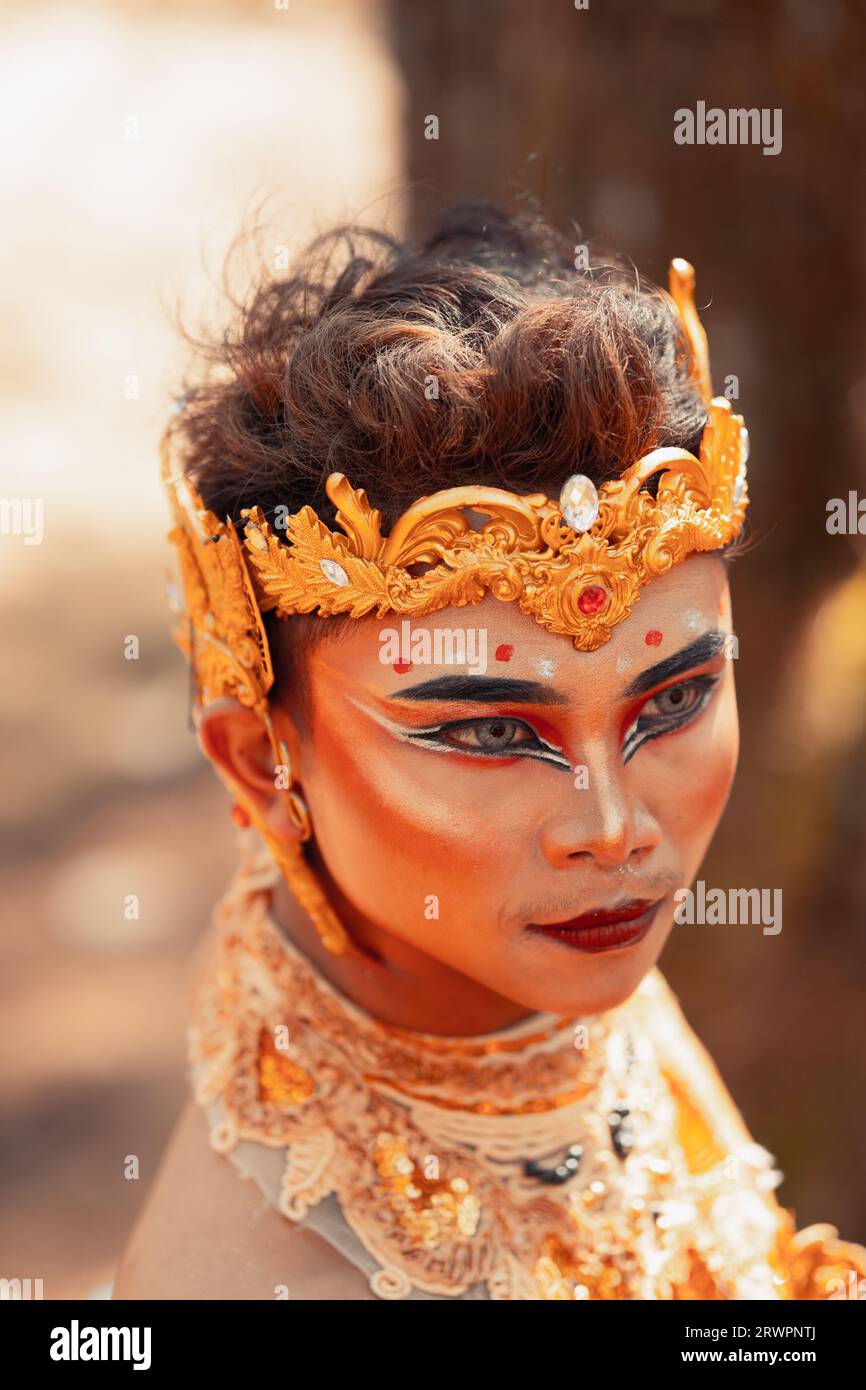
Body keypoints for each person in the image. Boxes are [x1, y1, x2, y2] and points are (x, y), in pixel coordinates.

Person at [114, 201, 866, 1300]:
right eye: (491, 732)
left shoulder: (526, 954)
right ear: (257, 765)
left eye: (674, 697)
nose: (613, 827)